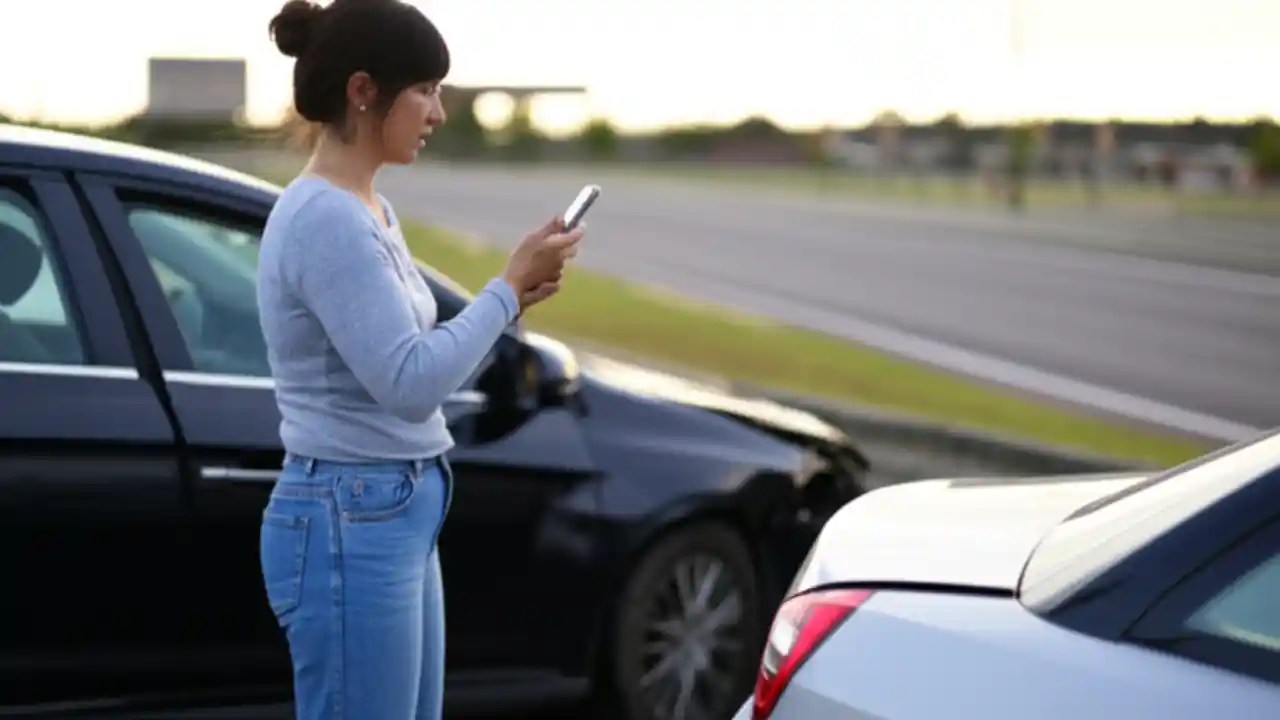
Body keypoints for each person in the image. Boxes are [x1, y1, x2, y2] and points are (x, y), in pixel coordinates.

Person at [254, 1, 584, 718]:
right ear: (364, 90)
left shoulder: (368, 207)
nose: (438, 113)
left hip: (388, 509)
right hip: (350, 514)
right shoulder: (326, 220)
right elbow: (408, 382)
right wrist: (504, 292)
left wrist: (512, 296)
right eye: (426, 90)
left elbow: (417, 360)